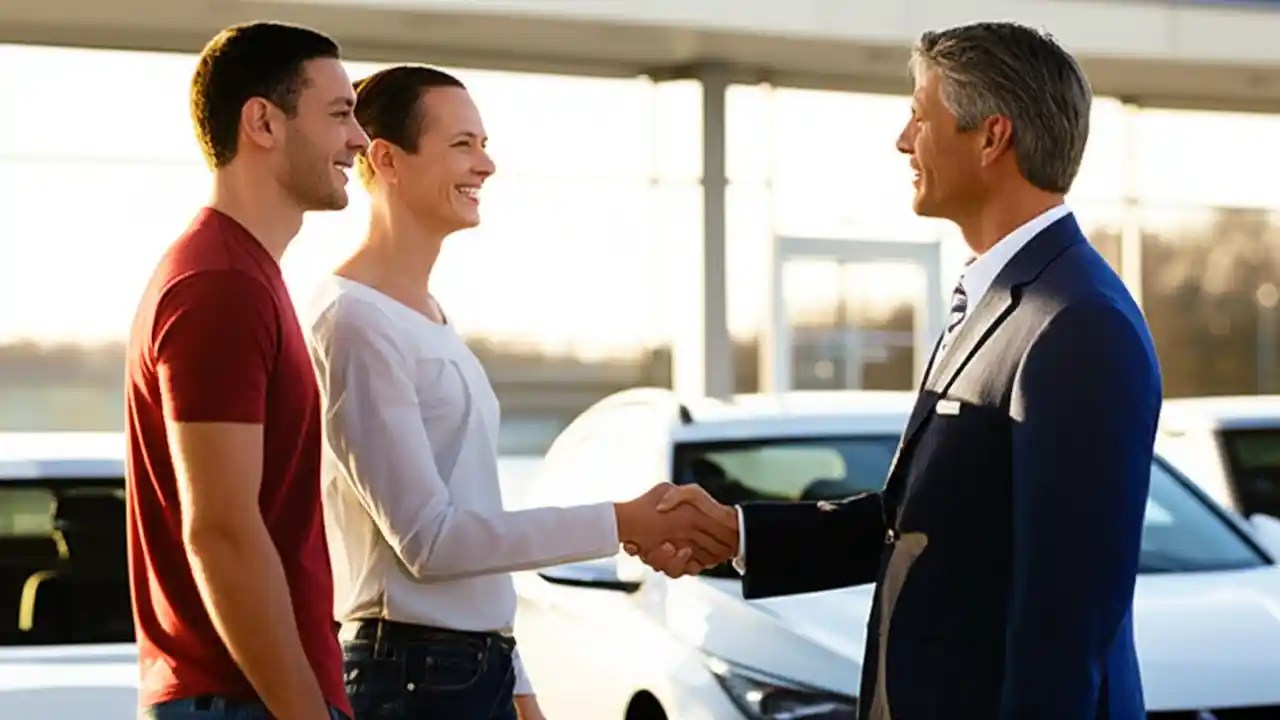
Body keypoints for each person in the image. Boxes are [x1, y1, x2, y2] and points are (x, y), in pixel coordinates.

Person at [638, 21, 1163, 720]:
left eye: (920, 116)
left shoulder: (1077, 323)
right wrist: (740, 533)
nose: (903, 140)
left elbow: (1068, 617)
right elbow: (919, 523)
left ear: (992, 137)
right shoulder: (1003, 301)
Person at [301, 64, 735, 720]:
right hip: (412, 679)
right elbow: (431, 541)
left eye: (483, 144)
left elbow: (474, 524)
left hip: (470, 668)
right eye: (463, 145)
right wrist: (624, 522)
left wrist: (518, 683)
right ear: (386, 160)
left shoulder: (427, 315)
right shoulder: (354, 319)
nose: (486, 164)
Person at [123, 21, 369, 720]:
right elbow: (221, 531)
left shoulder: (242, 275)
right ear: (262, 122)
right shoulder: (220, 285)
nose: (358, 139)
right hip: (243, 702)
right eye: (340, 113)